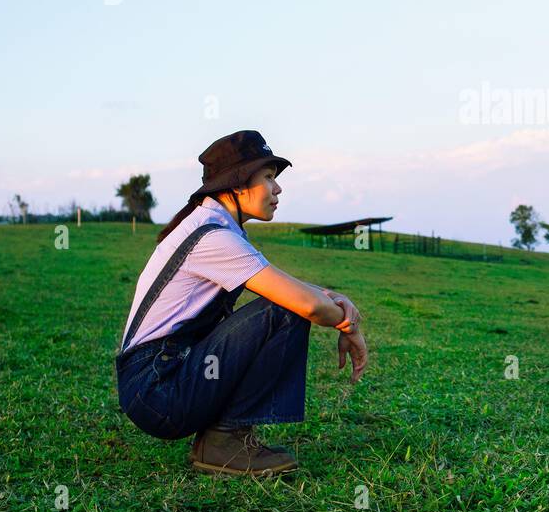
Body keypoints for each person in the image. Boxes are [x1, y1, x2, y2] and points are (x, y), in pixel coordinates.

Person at [114, 130, 368, 477]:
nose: (277, 189)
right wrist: (346, 322)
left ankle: (220, 437)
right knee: (285, 311)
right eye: (267, 177)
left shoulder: (215, 226)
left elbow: (286, 285)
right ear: (235, 184)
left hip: (162, 376)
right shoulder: (212, 236)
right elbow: (303, 305)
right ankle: (225, 439)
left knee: (285, 304)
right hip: (157, 390)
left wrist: (334, 298)